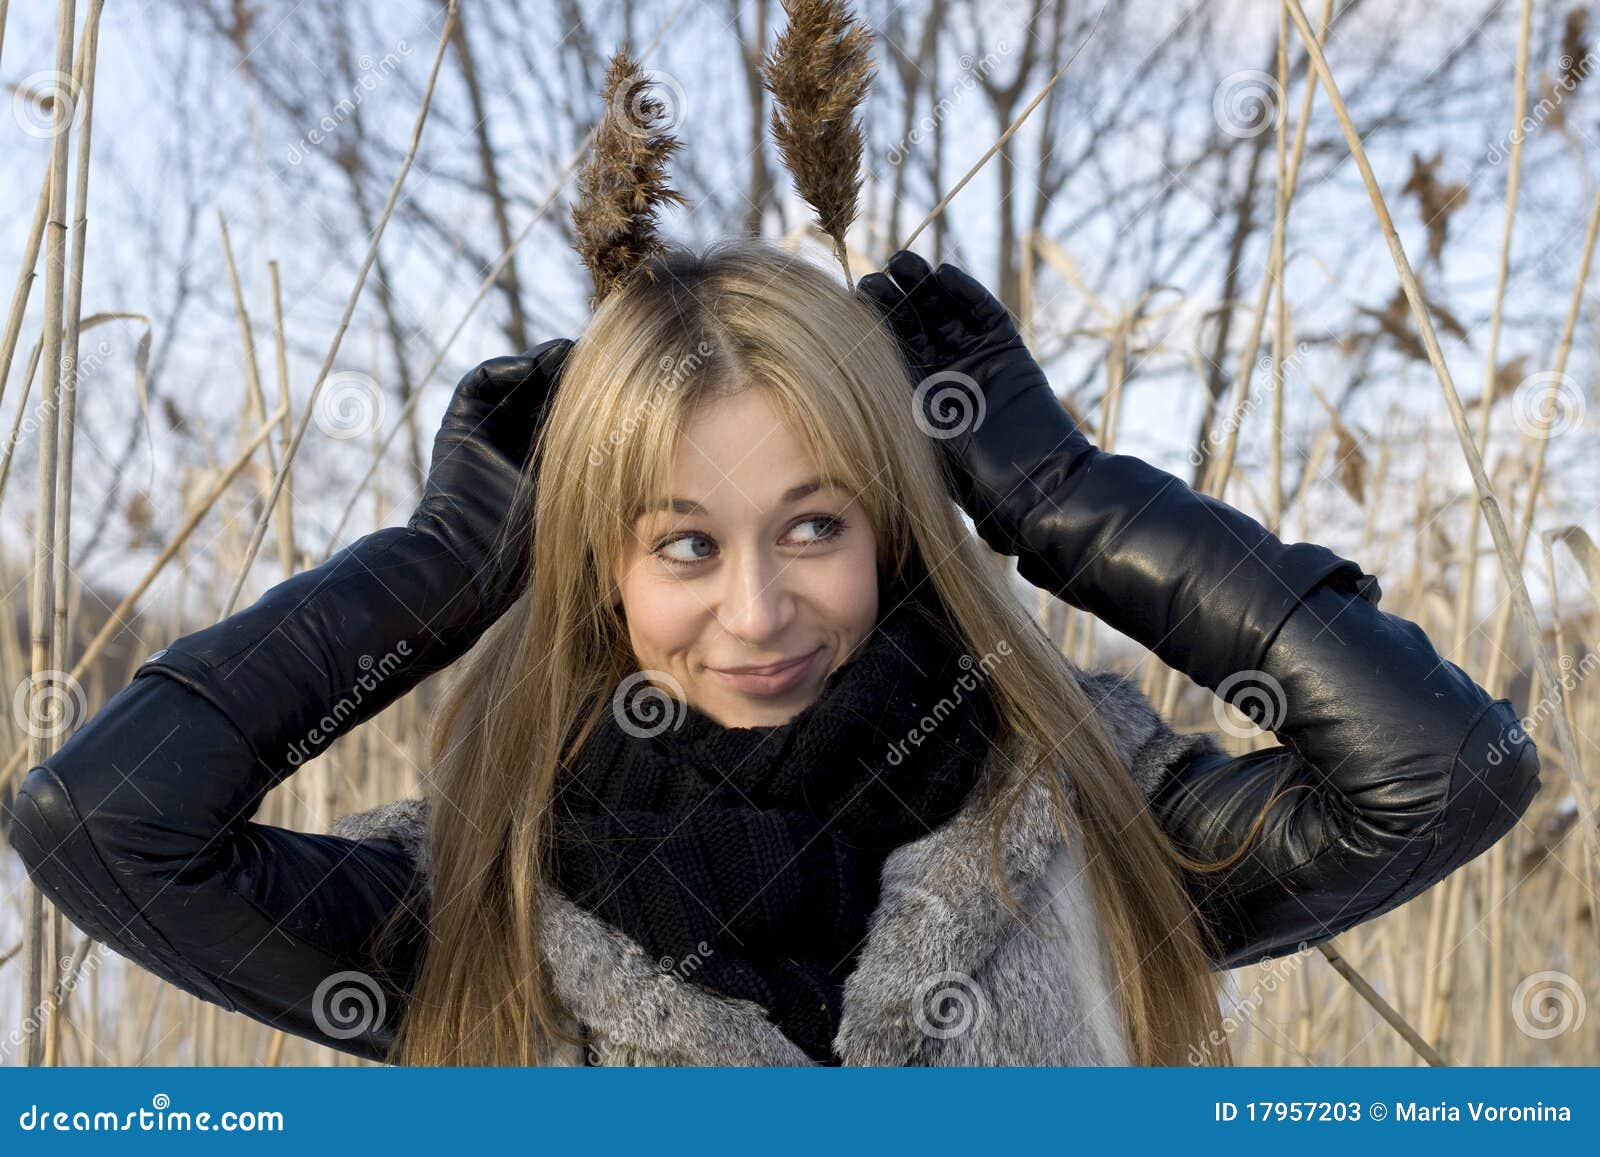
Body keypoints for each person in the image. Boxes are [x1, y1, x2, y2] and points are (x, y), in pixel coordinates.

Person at [6, 240, 1539, 1068]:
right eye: (683, 542)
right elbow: (103, 820)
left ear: (892, 526)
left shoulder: (1080, 815)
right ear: (600, 567)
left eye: (813, 527)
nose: (755, 609)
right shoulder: (474, 890)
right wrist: (448, 565)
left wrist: (1060, 498)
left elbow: (1442, 766)